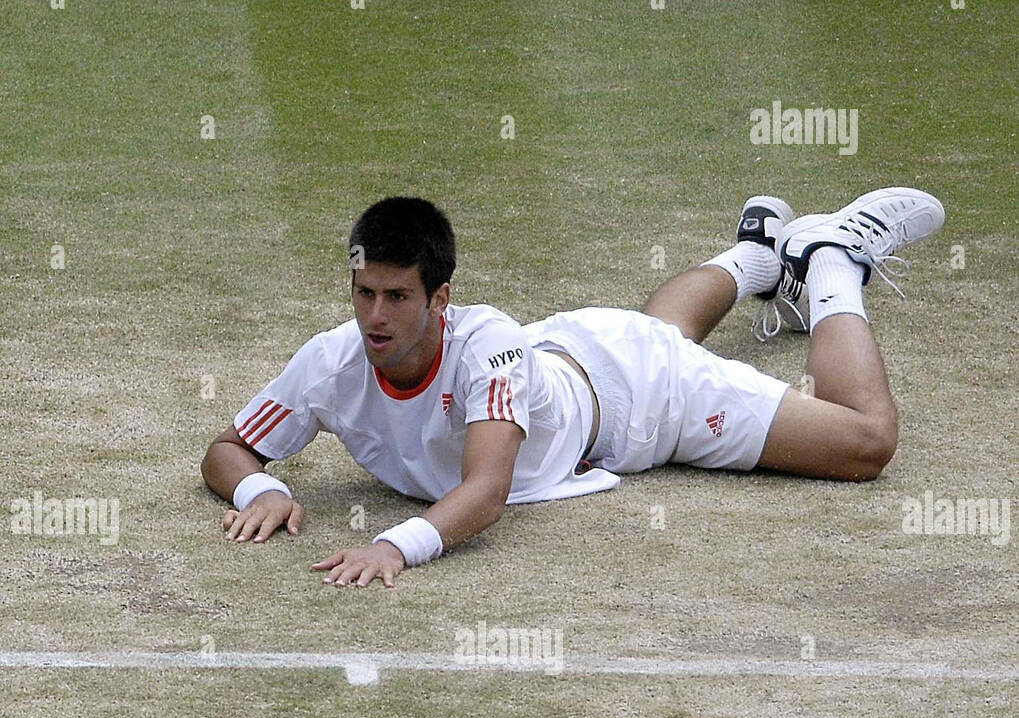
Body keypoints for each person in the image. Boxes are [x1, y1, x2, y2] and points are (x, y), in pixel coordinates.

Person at [201, 189, 944, 589]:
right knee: (658, 329)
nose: (374, 316)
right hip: (577, 356)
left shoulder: (484, 347)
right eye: (363, 293)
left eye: (397, 297)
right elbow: (229, 448)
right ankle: (752, 254)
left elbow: (486, 489)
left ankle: (829, 258)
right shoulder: (330, 360)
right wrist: (256, 491)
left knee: (862, 442)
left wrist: (394, 548)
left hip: (649, 399)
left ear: (440, 298)